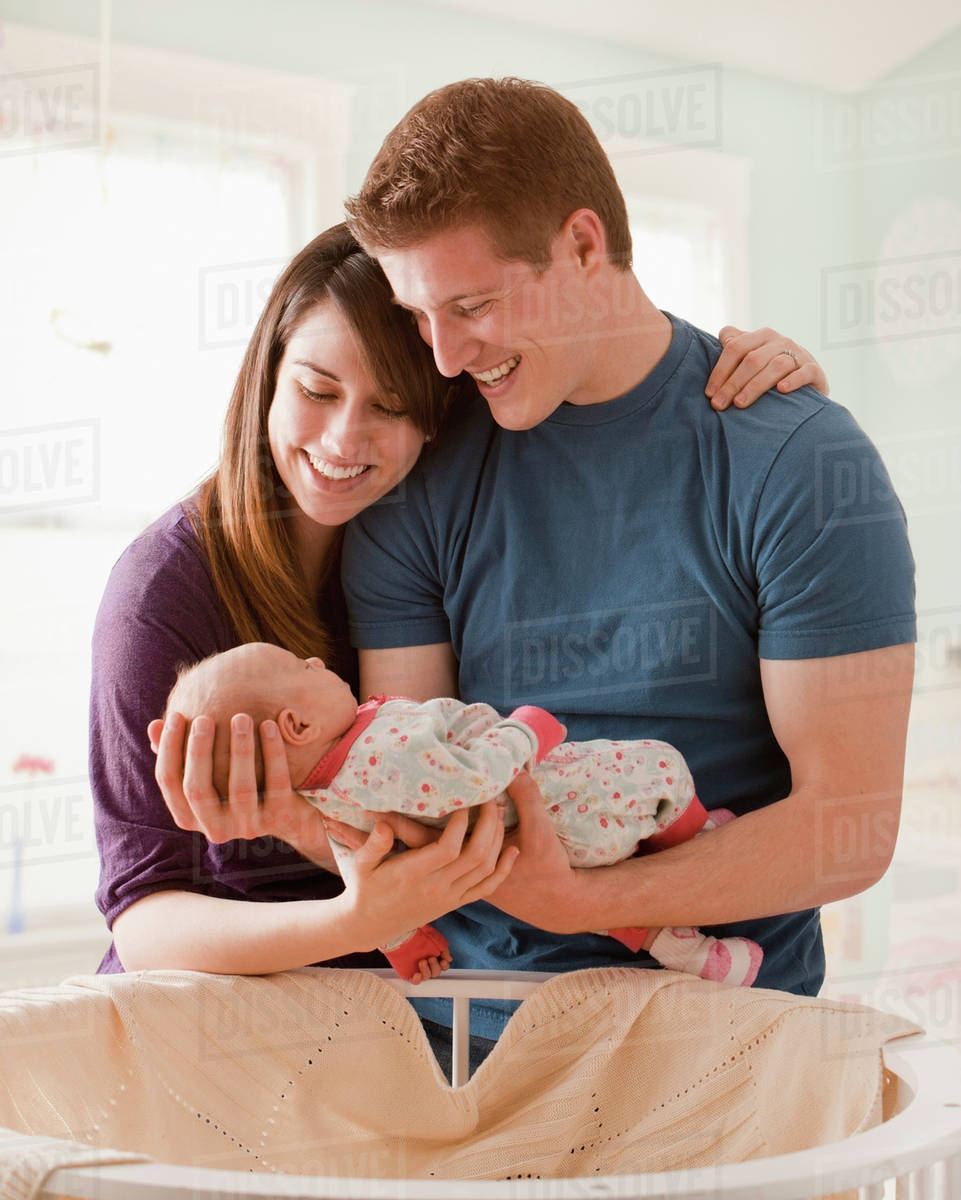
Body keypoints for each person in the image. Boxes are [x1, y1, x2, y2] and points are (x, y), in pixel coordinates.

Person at [329, 76, 916, 1045]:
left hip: (726, 1036)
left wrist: (582, 900)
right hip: (468, 1036)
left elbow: (847, 824)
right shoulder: (419, 482)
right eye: (419, 316)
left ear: (584, 244)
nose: (440, 358)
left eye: (469, 305)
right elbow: (408, 777)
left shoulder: (799, 459)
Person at [96, 219, 815, 982]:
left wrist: (771, 404)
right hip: (229, 997)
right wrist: (355, 915)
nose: (344, 440)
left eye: (392, 407)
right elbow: (144, 920)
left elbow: (598, 384)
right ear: (265, 375)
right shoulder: (163, 594)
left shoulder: (445, 527)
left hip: (417, 995)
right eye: (315, 389)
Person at [163, 641, 763, 985]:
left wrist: (405, 942)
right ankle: (695, 835)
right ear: (298, 725)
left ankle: (696, 955)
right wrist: (525, 733)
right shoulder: (379, 753)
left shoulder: (330, 797)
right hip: (550, 805)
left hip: (515, 857)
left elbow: (359, 868)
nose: (319, 662)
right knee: (658, 768)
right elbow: (471, 775)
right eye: (301, 667)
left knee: (600, 896)